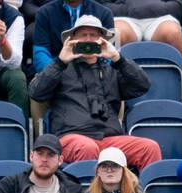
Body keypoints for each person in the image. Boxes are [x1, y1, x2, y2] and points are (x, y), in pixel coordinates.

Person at [28, 16, 160, 167]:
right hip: (72, 137)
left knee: (149, 148)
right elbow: (36, 92)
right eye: (83, 35)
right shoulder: (60, 69)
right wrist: (60, 62)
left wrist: (118, 58)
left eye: (93, 35)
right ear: (72, 40)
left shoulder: (112, 70)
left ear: (102, 40)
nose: (88, 40)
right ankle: (90, 191)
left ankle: (147, 191)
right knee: (88, 147)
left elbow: (143, 85)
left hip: (109, 138)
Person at [32, 0, 115, 69]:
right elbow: (40, 53)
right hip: (57, 72)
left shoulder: (105, 13)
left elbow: (109, 52)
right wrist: (56, 74)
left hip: (94, 73)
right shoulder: (44, 13)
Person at [109, 0, 182, 53]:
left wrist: (151, 7)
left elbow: (177, 6)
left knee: (173, 33)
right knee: (114, 33)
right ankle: (107, 74)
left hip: (161, 16)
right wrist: (130, 9)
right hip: (123, 16)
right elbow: (103, 6)